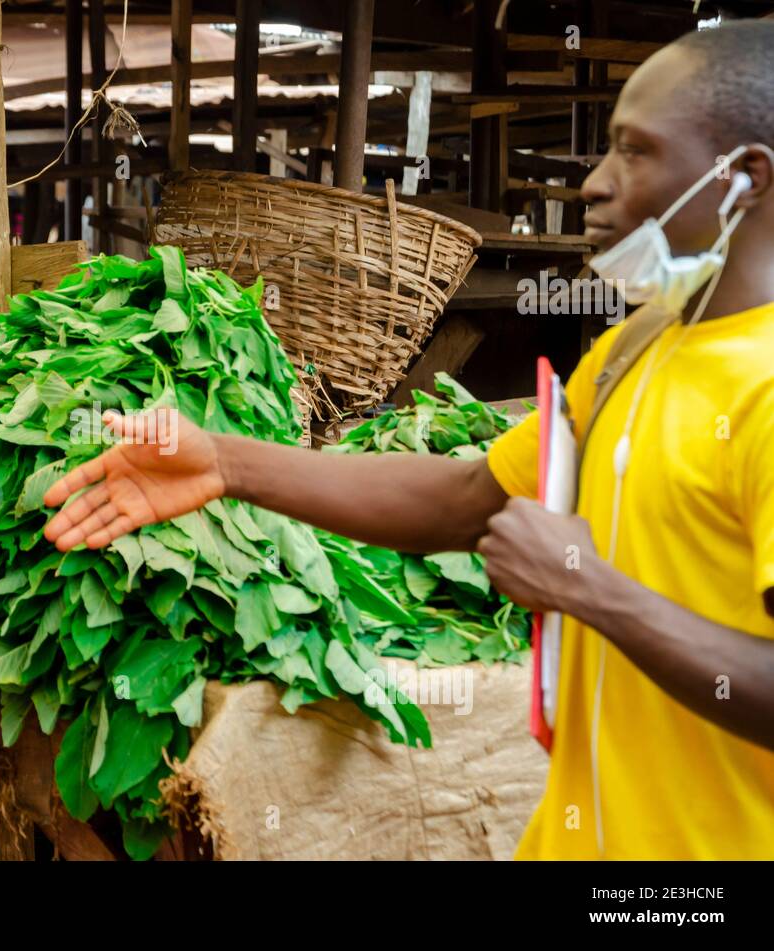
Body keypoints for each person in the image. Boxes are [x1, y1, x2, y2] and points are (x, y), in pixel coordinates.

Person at [42, 21, 774, 860]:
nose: (595, 185)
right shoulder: (629, 356)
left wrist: (590, 590)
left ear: (742, 177)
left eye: (634, 153)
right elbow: (465, 501)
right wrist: (223, 460)